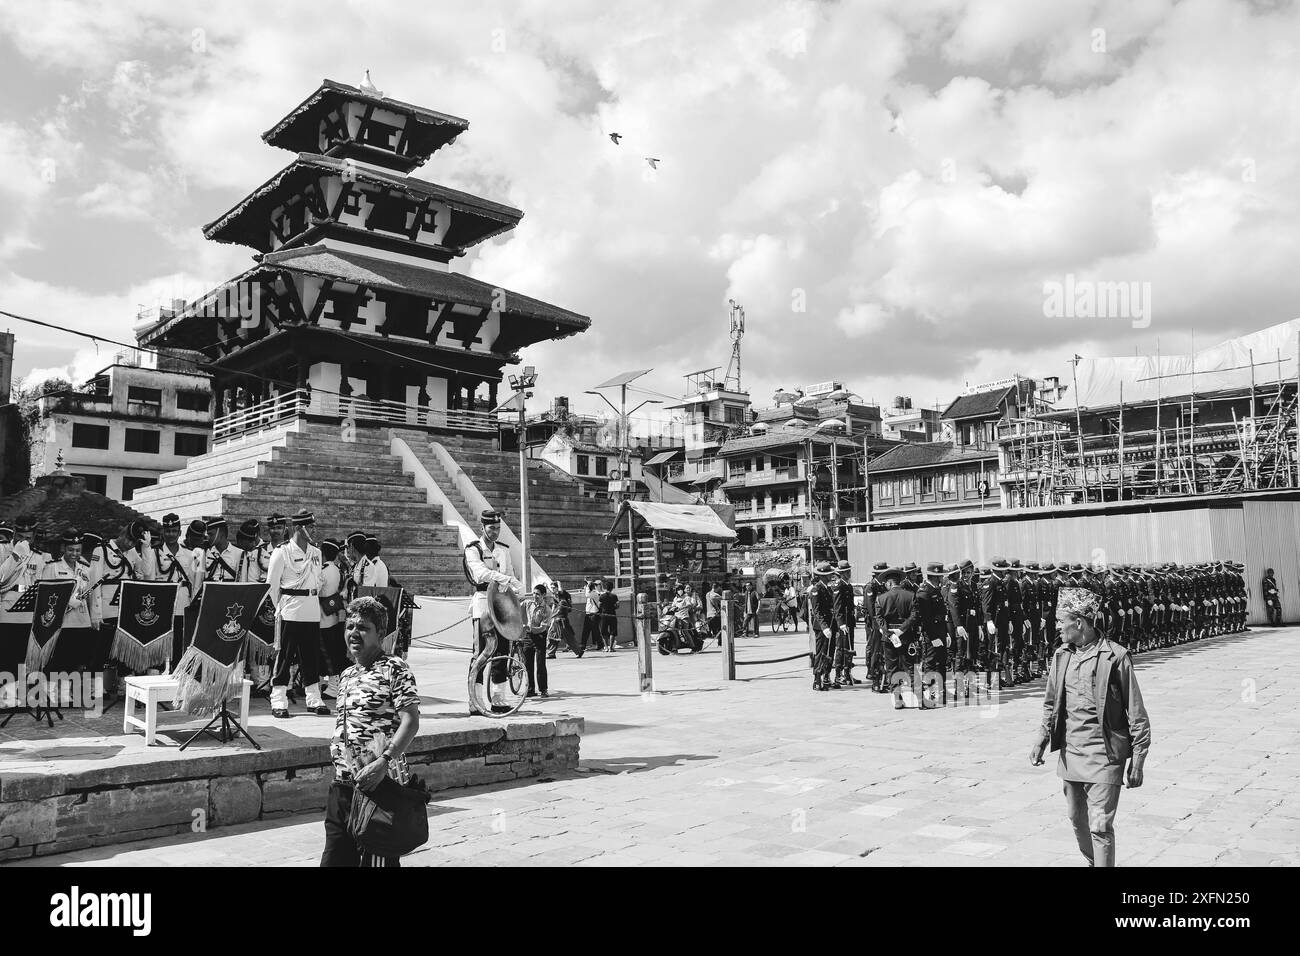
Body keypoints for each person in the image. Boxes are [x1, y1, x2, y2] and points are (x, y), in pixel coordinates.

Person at [1031, 586, 1151, 868]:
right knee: (1077, 820)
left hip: (1105, 755)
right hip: (1071, 753)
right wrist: (1041, 738)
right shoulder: (1062, 656)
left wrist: (1139, 759)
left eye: (1062, 622)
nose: (1057, 627)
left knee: (1100, 825)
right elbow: (1051, 702)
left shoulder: (1116, 657)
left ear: (1079, 623)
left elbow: (1136, 711)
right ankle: (1094, 862)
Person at [322, 596, 421, 868]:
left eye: (363, 627)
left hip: (379, 785)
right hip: (343, 785)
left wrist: (384, 761)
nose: (354, 633)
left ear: (380, 633)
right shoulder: (346, 675)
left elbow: (410, 721)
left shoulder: (394, 668)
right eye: (350, 626)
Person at [266, 509, 327, 718]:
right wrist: (280, 607)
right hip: (290, 609)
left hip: (311, 608)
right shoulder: (282, 551)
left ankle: (313, 698)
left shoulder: (316, 553)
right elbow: (272, 586)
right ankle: (278, 699)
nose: (313, 530)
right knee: (284, 657)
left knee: (311, 657)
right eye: (310, 527)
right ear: (299, 528)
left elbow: (318, 582)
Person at [464, 510, 523, 712]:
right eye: (492, 528)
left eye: (498, 528)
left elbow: (511, 574)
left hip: (500, 603)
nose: (495, 532)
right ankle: (475, 700)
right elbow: (480, 573)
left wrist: (517, 586)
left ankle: (499, 699)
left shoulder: (503, 550)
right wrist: (504, 579)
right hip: (482, 603)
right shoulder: (473, 549)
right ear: (483, 527)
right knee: (479, 652)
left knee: (502, 651)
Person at [43, 529, 101, 675]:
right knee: (59, 659)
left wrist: (94, 616)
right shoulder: (52, 567)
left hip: (82, 621)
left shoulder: (86, 568)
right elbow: (46, 593)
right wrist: (67, 602)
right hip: (62, 621)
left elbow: (92, 594)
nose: (74, 554)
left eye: (78, 550)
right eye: (70, 550)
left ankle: (67, 690)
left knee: (76, 660)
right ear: (63, 548)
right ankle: (54, 691)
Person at [153, 513, 203, 667]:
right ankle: (157, 671)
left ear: (180, 532)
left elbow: (197, 582)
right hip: (162, 602)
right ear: (163, 532)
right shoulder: (155, 552)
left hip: (182, 601)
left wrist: (194, 604)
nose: (171, 534)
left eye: (174, 531)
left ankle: (177, 671)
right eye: (168, 531)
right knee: (160, 640)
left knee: (179, 642)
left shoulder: (192, 554)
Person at [876, 566, 918, 703]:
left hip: (888, 638)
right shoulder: (910, 595)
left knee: (892, 667)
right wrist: (902, 629)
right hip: (905, 635)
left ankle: (897, 698)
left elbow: (879, 618)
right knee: (910, 666)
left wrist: (889, 633)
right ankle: (919, 697)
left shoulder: (881, 598)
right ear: (899, 581)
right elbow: (914, 616)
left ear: (889, 583)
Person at [318, 538, 348, 697]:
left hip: (322, 615)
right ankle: (330, 684)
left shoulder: (322, 570)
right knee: (332, 650)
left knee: (326, 653)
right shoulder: (337, 569)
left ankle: (333, 687)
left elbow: (317, 590)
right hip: (333, 615)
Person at [808, 562, 838, 691]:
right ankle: (817, 678)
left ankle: (826, 676)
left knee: (830, 652)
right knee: (821, 652)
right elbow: (817, 611)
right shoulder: (816, 589)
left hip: (831, 625)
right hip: (822, 627)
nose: (831, 576)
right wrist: (825, 627)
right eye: (828, 574)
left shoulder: (828, 588)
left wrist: (834, 627)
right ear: (823, 576)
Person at [832, 559, 858, 685]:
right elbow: (837, 607)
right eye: (847, 571)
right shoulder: (839, 585)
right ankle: (838, 674)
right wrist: (841, 623)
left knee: (849, 647)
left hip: (850, 621)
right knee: (841, 648)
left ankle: (847, 672)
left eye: (849, 570)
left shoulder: (847, 585)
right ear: (842, 573)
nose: (849, 572)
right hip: (843, 623)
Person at [522, 583, 550, 697]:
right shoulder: (528, 603)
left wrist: (531, 628)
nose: (535, 596)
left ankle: (543, 689)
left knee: (540, 664)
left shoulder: (546, 609)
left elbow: (543, 627)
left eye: (537, 594)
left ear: (543, 595)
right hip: (528, 637)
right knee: (527, 664)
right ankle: (530, 689)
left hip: (540, 637)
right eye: (533, 593)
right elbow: (516, 607)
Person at [547, 580, 575, 659]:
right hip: (557, 618)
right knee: (557, 636)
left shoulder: (562, 596)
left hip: (561, 619)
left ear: (557, 588)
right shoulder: (556, 595)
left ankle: (577, 650)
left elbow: (560, 593)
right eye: (551, 588)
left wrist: (559, 584)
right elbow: (554, 606)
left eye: (553, 588)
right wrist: (551, 615)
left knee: (559, 636)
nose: (552, 589)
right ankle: (551, 653)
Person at [580, 579, 603, 652]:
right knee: (586, 631)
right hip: (588, 613)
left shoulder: (594, 593)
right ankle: (583, 645)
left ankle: (600, 644)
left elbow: (587, 594)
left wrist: (587, 586)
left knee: (595, 630)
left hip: (594, 614)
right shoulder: (591, 593)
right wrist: (587, 585)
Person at [598, 579, 619, 652]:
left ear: (605, 588)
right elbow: (617, 605)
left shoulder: (602, 596)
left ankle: (606, 647)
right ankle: (611, 648)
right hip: (612, 615)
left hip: (604, 615)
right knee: (613, 631)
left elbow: (599, 605)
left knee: (604, 631)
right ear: (612, 588)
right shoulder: (614, 596)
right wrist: (613, 607)